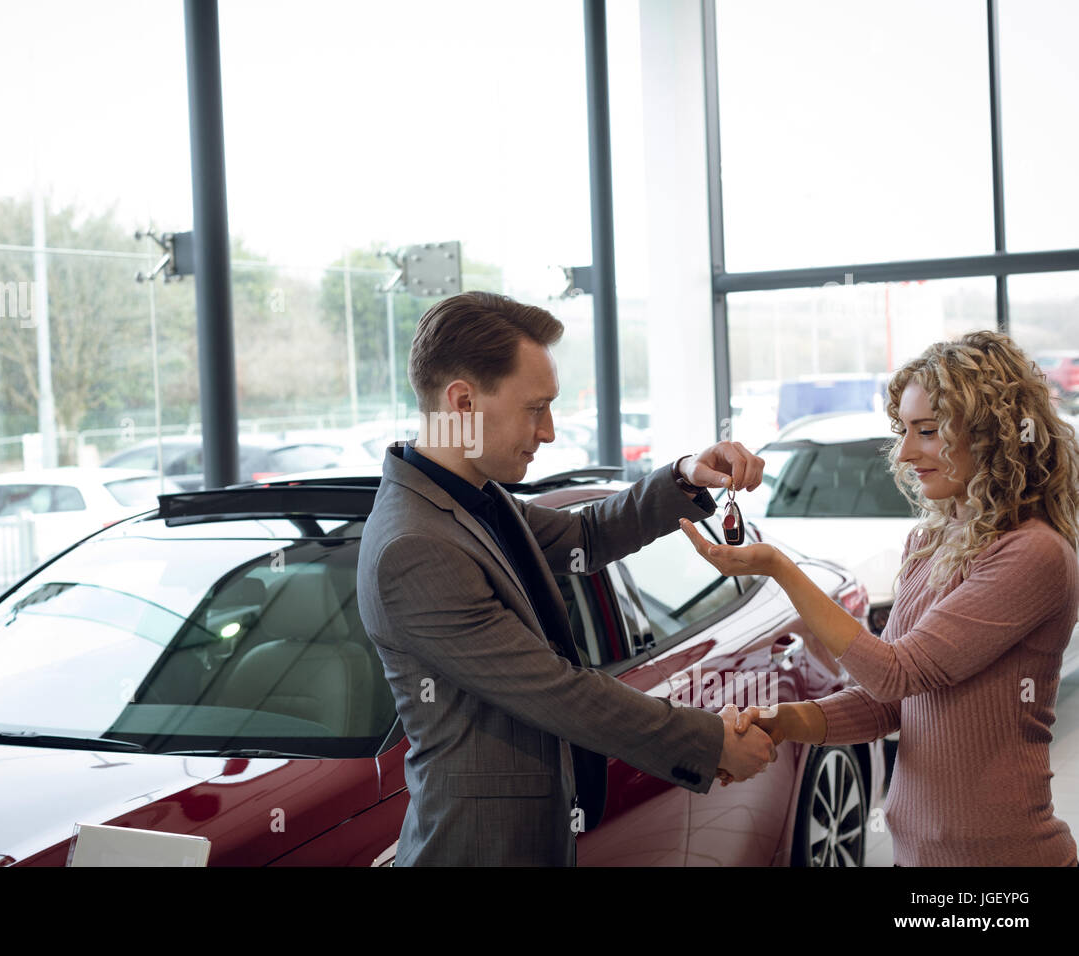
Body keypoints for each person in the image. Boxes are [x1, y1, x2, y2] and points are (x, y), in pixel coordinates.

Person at [355, 290, 776, 866]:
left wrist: (685, 476)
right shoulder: (414, 546)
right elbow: (559, 692)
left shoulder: (471, 498)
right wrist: (713, 742)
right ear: (462, 401)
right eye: (536, 408)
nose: (549, 431)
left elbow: (584, 540)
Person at [681, 329, 1079, 866]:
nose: (907, 451)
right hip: (914, 856)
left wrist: (779, 567)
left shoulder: (1034, 554)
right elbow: (885, 702)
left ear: (991, 435)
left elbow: (897, 671)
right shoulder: (931, 541)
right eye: (905, 430)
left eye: (929, 431)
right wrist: (784, 721)